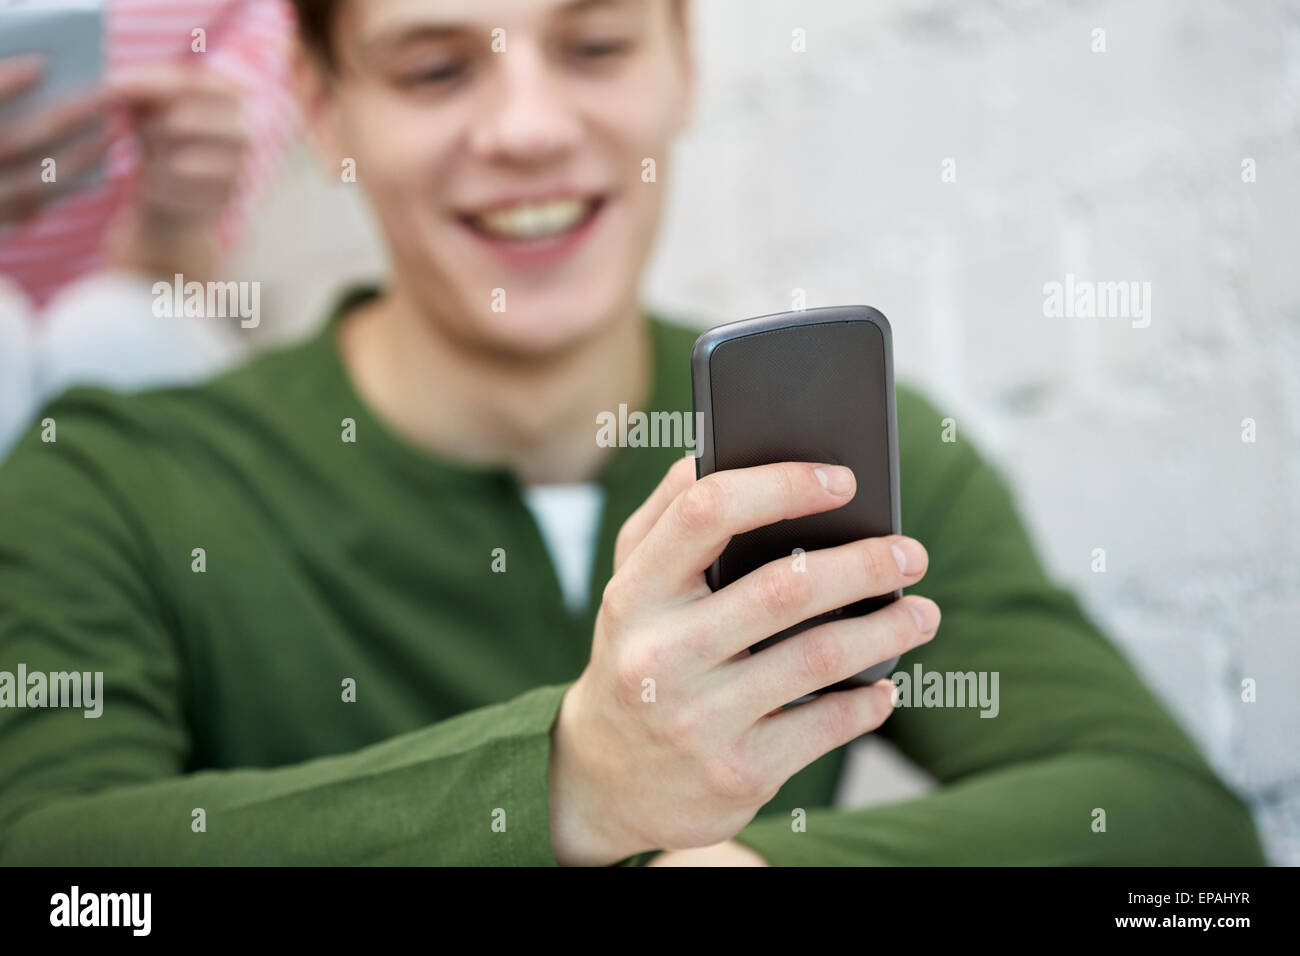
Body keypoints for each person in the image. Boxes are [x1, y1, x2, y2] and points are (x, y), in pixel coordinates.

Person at [0, 0, 1266, 866]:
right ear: (323, 111)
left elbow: (1171, 827)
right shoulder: (110, 481)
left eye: (597, 44)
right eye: (436, 69)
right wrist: (558, 787)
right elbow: (54, 866)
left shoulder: (854, 450)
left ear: (683, 62)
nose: (529, 128)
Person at [0, 0, 296, 454]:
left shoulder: (245, 17)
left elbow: (174, 279)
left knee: (123, 333)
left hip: (126, 316)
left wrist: (172, 221)